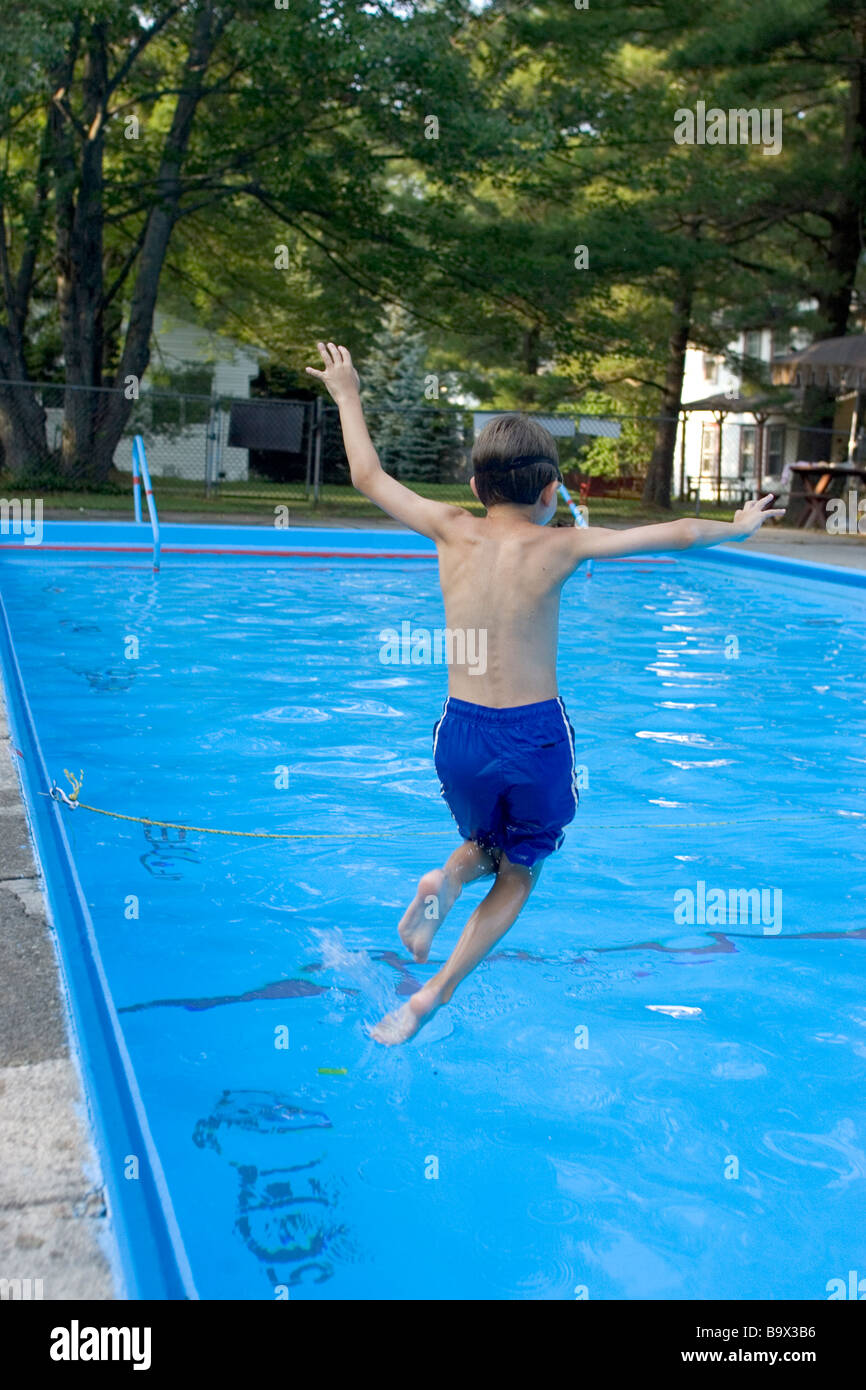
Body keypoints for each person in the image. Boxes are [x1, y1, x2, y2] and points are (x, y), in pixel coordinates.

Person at [305, 341, 783, 1044]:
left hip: (460, 736)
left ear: (475, 488)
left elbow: (368, 473)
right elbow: (677, 533)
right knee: (521, 871)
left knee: (484, 840)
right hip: (533, 735)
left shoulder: (449, 529)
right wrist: (740, 527)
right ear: (551, 491)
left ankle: (445, 879)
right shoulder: (562, 545)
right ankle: (429, 997)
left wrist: (347, 392)